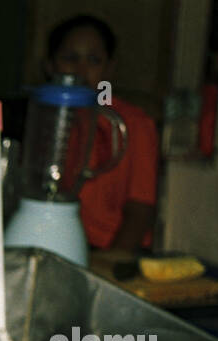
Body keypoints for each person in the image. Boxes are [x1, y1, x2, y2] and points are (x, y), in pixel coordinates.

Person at [45, 14, 158, 252]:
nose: (81, 70)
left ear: (109, 69)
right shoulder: (50, 121)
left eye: (94, 61)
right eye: (70, 58)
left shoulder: (133, 125)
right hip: (60, 242)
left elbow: (140, 210)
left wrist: (108, 265)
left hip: (113, 251)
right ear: (50, 65)